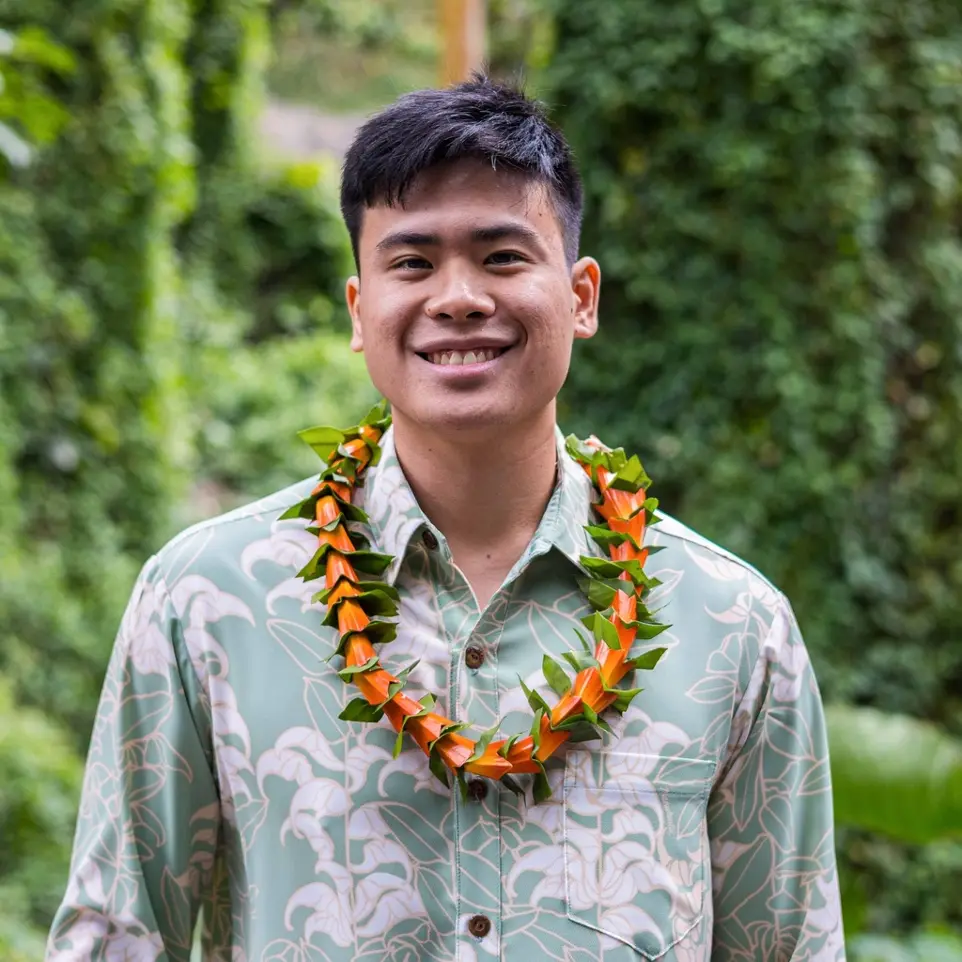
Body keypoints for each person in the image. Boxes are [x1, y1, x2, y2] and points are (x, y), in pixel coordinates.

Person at [48, 76, 845, 961]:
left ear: (581, 296)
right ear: (360, 310)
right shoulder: (206, 601)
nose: (458, 297)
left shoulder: (732, 624)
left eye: (503, 256)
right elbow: (116, 937)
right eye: (412, 262)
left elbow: (786, 944)